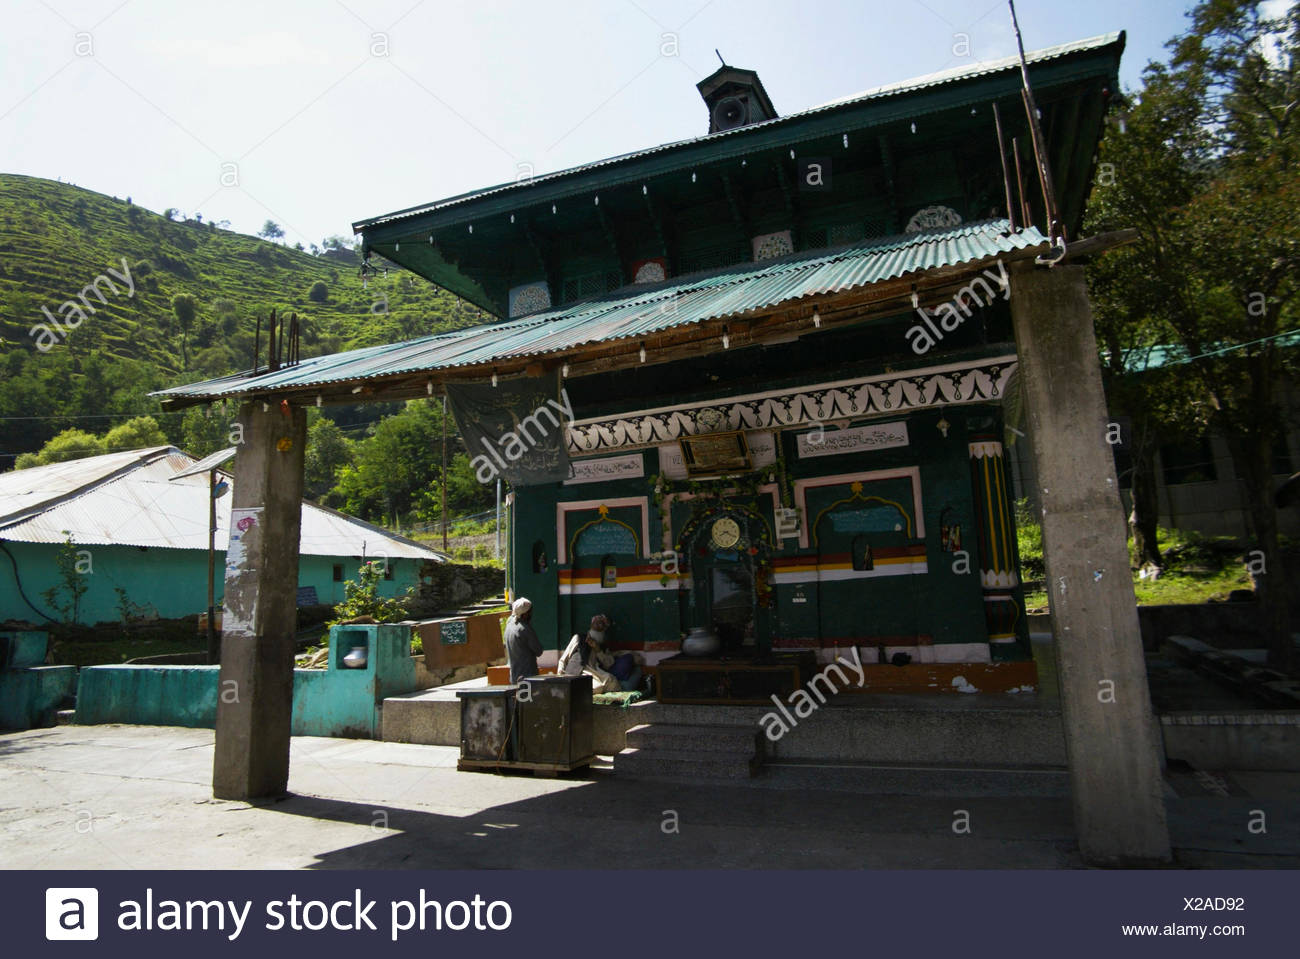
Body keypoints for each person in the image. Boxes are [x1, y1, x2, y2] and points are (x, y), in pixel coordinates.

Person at [557, 614, 623, 693]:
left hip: (594, 672)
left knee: (613, 682)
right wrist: (559, 677)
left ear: (604, 628)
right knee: (593, 686)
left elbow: (608, 664)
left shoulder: (603, 646)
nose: (597, 624)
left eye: (600, 623)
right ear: (591, 625)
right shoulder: (579, 638)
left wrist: (597, 649)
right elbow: (563, 659)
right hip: (579, 670)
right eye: (595, 622)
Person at [504, 597, 542, 683]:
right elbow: (539, 651)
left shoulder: (509, 624)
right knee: (528, 696)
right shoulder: (524, 629)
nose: (531, 614)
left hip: (514, 677)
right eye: (530, 612)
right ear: (525, 614)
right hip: (528, 678)